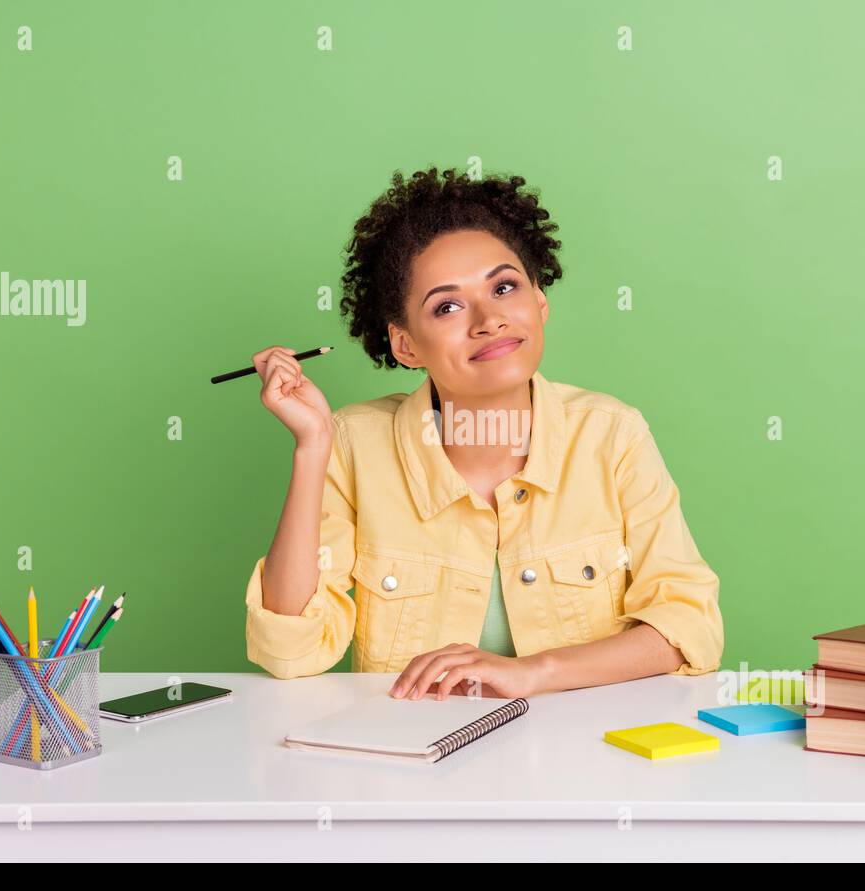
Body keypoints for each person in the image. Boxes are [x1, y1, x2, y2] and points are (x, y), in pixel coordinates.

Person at [245, 166, 723, 700]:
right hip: (418, 764)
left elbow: (689, 626)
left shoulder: (612, 435)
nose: (488, 319)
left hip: (586, 758)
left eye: (504, 287)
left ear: (539, 305)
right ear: (405, 346)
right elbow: (289, 649)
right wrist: (312, 447)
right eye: (447, 306)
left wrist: (530, 673)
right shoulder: (353, 444)